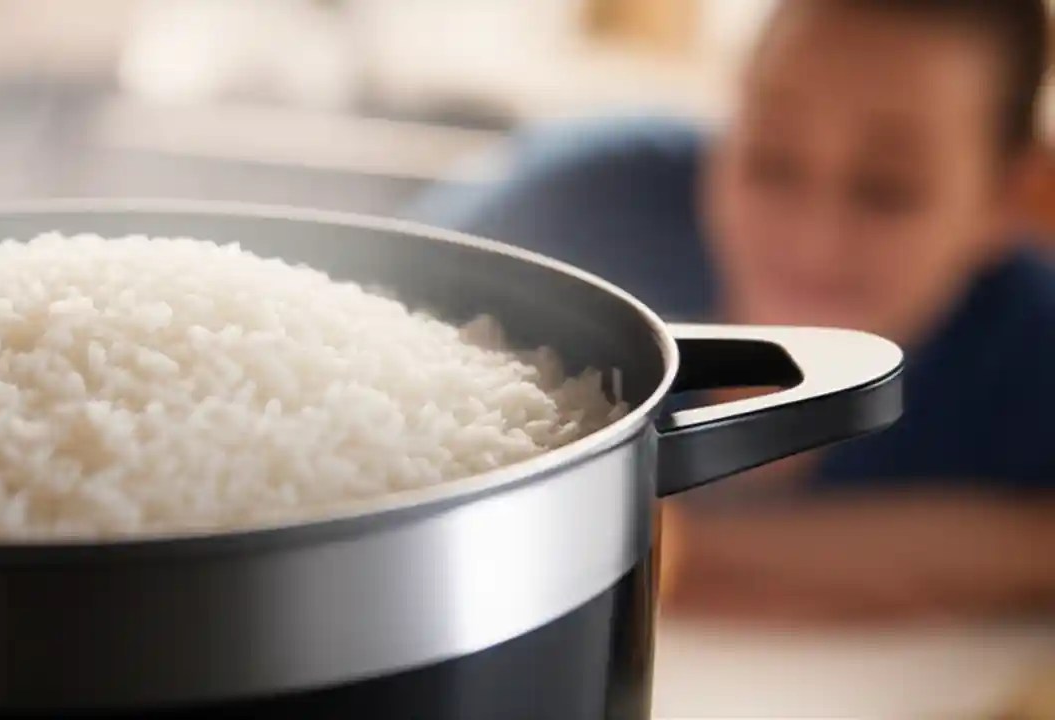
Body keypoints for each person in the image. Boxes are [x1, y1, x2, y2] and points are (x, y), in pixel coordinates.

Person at [414, 0, 1055, 622]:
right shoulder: (566, 217)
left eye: (888, 190)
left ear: (1007, 198)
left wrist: (662, 544)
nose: (813, 238)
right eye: (772, 159)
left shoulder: (1032, 348)